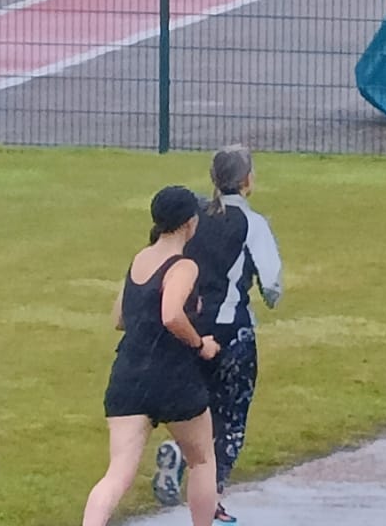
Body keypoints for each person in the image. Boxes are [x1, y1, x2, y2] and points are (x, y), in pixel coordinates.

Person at [84, 186, 220, 526]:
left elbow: (119, 318)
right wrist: (200, 344)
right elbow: (171, 314)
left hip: (129, 375)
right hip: (174, 378)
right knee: (202, 460)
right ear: (190, 224)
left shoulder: (139, 260)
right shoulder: (184, 266)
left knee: (117, 473)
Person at [178, 146, 283, 525]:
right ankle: (214, 496)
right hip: (232, 334)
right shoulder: (252, 224)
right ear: (247, 180)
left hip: (190, 329)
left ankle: (179, 454)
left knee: (193, 410)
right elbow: (271, 285)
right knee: (231, 419)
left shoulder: (194, 218)